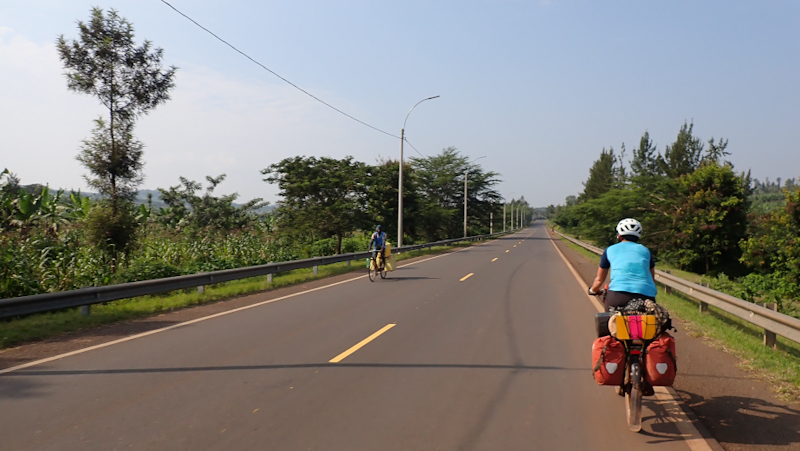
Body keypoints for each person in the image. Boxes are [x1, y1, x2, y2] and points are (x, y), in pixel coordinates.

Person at [588, 218, 657, 312]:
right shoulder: (645, 251)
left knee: (610, 322)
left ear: (619, 236)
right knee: (651, 324)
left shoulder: (610, 250)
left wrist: (593, 290)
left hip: (618, 295)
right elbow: (652, 279)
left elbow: (599, 279)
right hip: (646, 297)